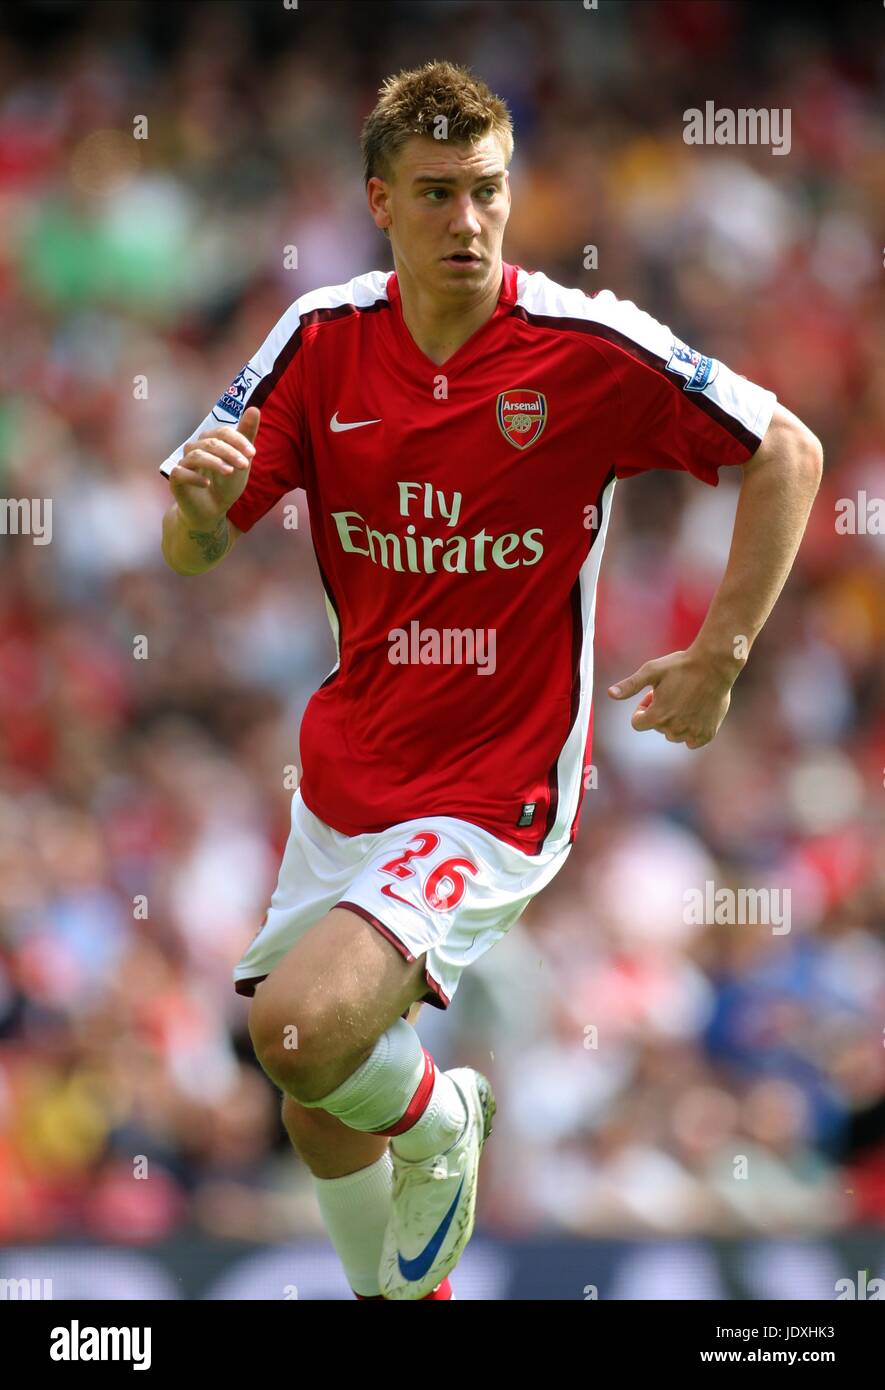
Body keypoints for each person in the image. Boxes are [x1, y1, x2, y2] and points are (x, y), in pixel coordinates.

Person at [158, 61, 822, 1300]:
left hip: (496, 785)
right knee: (315, 1101)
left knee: (294, 1032)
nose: (468, 220)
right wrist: (195, 517)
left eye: (488, 191)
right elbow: (195, 546)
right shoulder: (318, 342)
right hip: (349, 766)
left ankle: (447, 1122)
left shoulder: (585, 345)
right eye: (437, 193)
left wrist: (723, 655)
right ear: (379, 201)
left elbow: (788, 448)